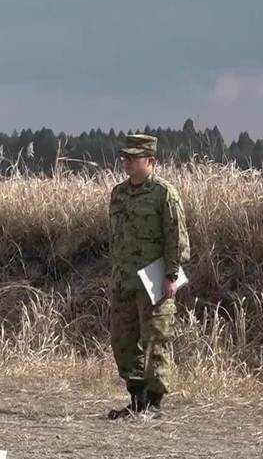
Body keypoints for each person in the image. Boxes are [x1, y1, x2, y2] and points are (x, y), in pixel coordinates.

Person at [107, 134, 188, 419]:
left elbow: (176, 238)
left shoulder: (164, 194)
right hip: (124, 281)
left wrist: (171, 275)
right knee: (123, 341)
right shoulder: (119, 193)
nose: (127, 163)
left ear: (151, 161)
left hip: (153, 280)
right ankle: (137, 400)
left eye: (133, 158)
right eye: (125, 158)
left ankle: (154, 404)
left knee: (156, 340)